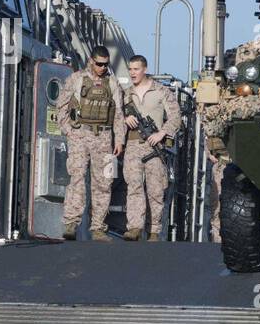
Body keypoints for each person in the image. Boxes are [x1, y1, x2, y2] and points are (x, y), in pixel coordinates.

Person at [57, 46, 125, 241]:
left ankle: (98, 228)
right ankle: (71, 223)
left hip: (104, 138)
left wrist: (119, 139)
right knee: (77, 179)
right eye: (99, 64)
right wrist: (69, 131)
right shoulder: (76, 79)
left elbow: (119, 114)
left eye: (106, 64)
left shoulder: (112, 83)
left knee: (104, 183)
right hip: (80, 135)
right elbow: (61, 106)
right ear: (91, 61)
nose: (102, 68)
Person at [122, 54, 181, 241]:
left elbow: (175, 117)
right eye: (130, 69)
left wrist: (162, 133)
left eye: (136, 69)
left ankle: (154, 230)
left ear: (144, 69)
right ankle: (134, 227)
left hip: (154, 146)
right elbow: (115, 116)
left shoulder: (161, 91)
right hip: (132, 145)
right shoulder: (125, 93)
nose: (133, 73)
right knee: (134, 187)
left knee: (155, 190)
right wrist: (124, 118)